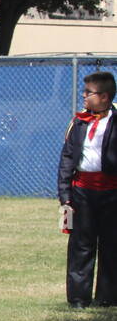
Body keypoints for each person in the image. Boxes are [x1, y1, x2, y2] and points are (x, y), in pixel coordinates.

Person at [57, 71, 117, 308]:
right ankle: (79, 299)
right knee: (81, 245)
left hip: (112, 193)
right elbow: (67, 158)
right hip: (82, 192)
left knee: (111, 245)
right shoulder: (79, 122)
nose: (83, 96)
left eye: (88, 92)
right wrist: (65, 195)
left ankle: (108, 297)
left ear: (103, 97)